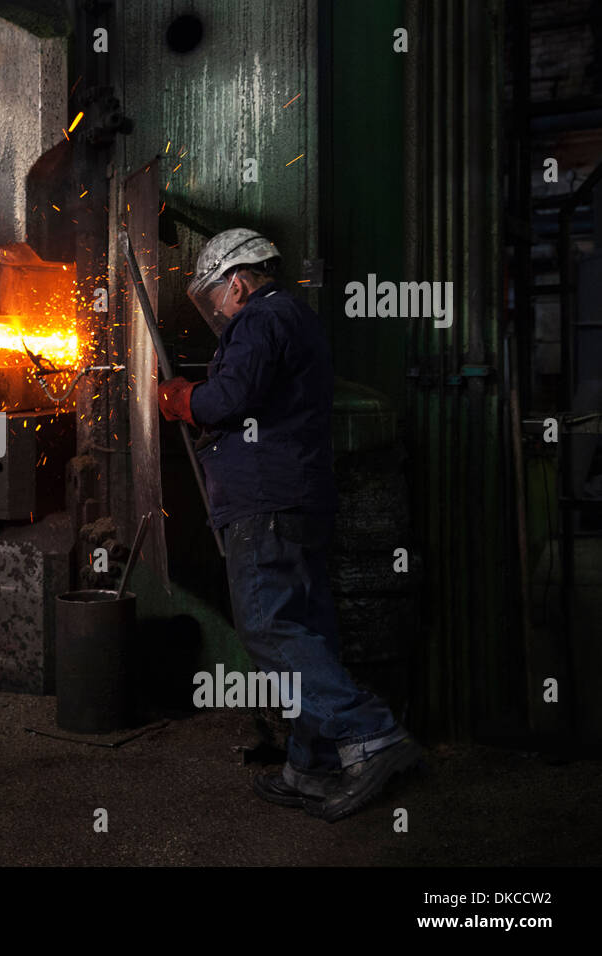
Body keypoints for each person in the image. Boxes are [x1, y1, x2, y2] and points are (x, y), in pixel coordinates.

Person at [158, 228, 422, 822]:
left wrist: (182, 400)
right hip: (298, 499)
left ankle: (371, 735)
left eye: (218, 296)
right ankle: (314, 765)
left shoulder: (258, 319)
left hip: (265, 503)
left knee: (270, 629)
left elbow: (230, 398)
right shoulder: (295, 318)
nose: (218, 309)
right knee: (306, 628)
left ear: (239, 281)